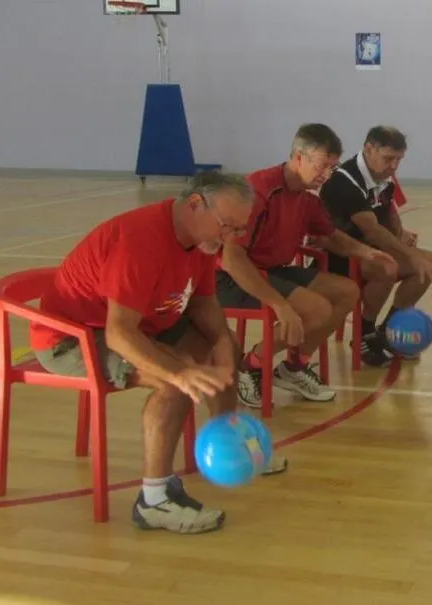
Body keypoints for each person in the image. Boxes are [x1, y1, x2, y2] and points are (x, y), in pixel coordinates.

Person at [29, 172, 285, 534]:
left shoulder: (201, 240)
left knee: (218, 348)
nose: (231, 238)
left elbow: (203, 302)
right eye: (227, 227)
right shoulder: (140, 240)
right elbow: (118, 334)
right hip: (73, 337)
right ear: (195, 204)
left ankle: (228, 444)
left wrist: (225, 342)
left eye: (238, 231)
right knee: (176, 380)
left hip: (141, 323)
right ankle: (154, 501)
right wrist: (177, 372)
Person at [217, 123, 398, 407]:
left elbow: (330, 236)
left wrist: (368, 253)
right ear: (298, 157)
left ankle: (293, 367)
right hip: (233, 277)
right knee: (317, 308)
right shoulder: (259, 191)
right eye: (322, 166)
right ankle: (249, 366)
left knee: (347, 292)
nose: (327, 175)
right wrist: (279, 304)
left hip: (274, 269)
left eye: (333, 167)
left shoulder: (305, 197)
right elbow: (231, 258)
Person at [318, 125, 432, 365]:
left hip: (369, 251)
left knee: (429, 262)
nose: (394, 166)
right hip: (336, 255)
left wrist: (401, 234)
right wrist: (407, 254)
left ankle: (387, 333)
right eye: (389, 158)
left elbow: (389, 215)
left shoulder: (384, 177)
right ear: (368, 149)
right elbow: (372, 230)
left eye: (399, 159)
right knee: (387, 266)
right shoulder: (343, 182)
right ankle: (363, 332)